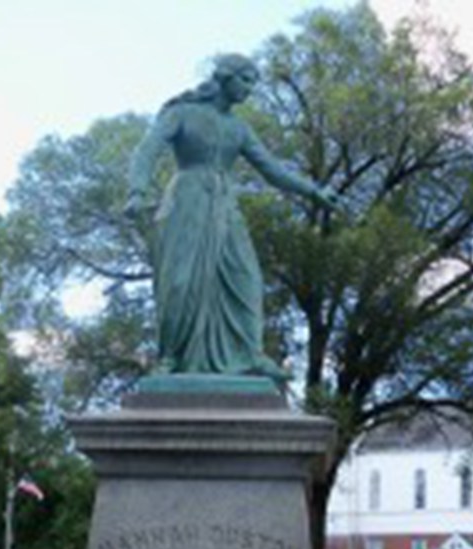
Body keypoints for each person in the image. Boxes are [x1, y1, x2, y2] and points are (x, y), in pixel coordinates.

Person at [125, 54, 339, 380]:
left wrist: (313, 191)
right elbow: (148, 148)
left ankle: (248, 354)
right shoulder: (182, 113)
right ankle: (169, 358)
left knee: (245, 278)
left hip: (224, 208)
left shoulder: (239, 128)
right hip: (186, 202)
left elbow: (271, 169)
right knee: (180, 283)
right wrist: (137, 191)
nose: (250, 89)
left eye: (254, 82)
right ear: (226, 78)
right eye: (246, 80)